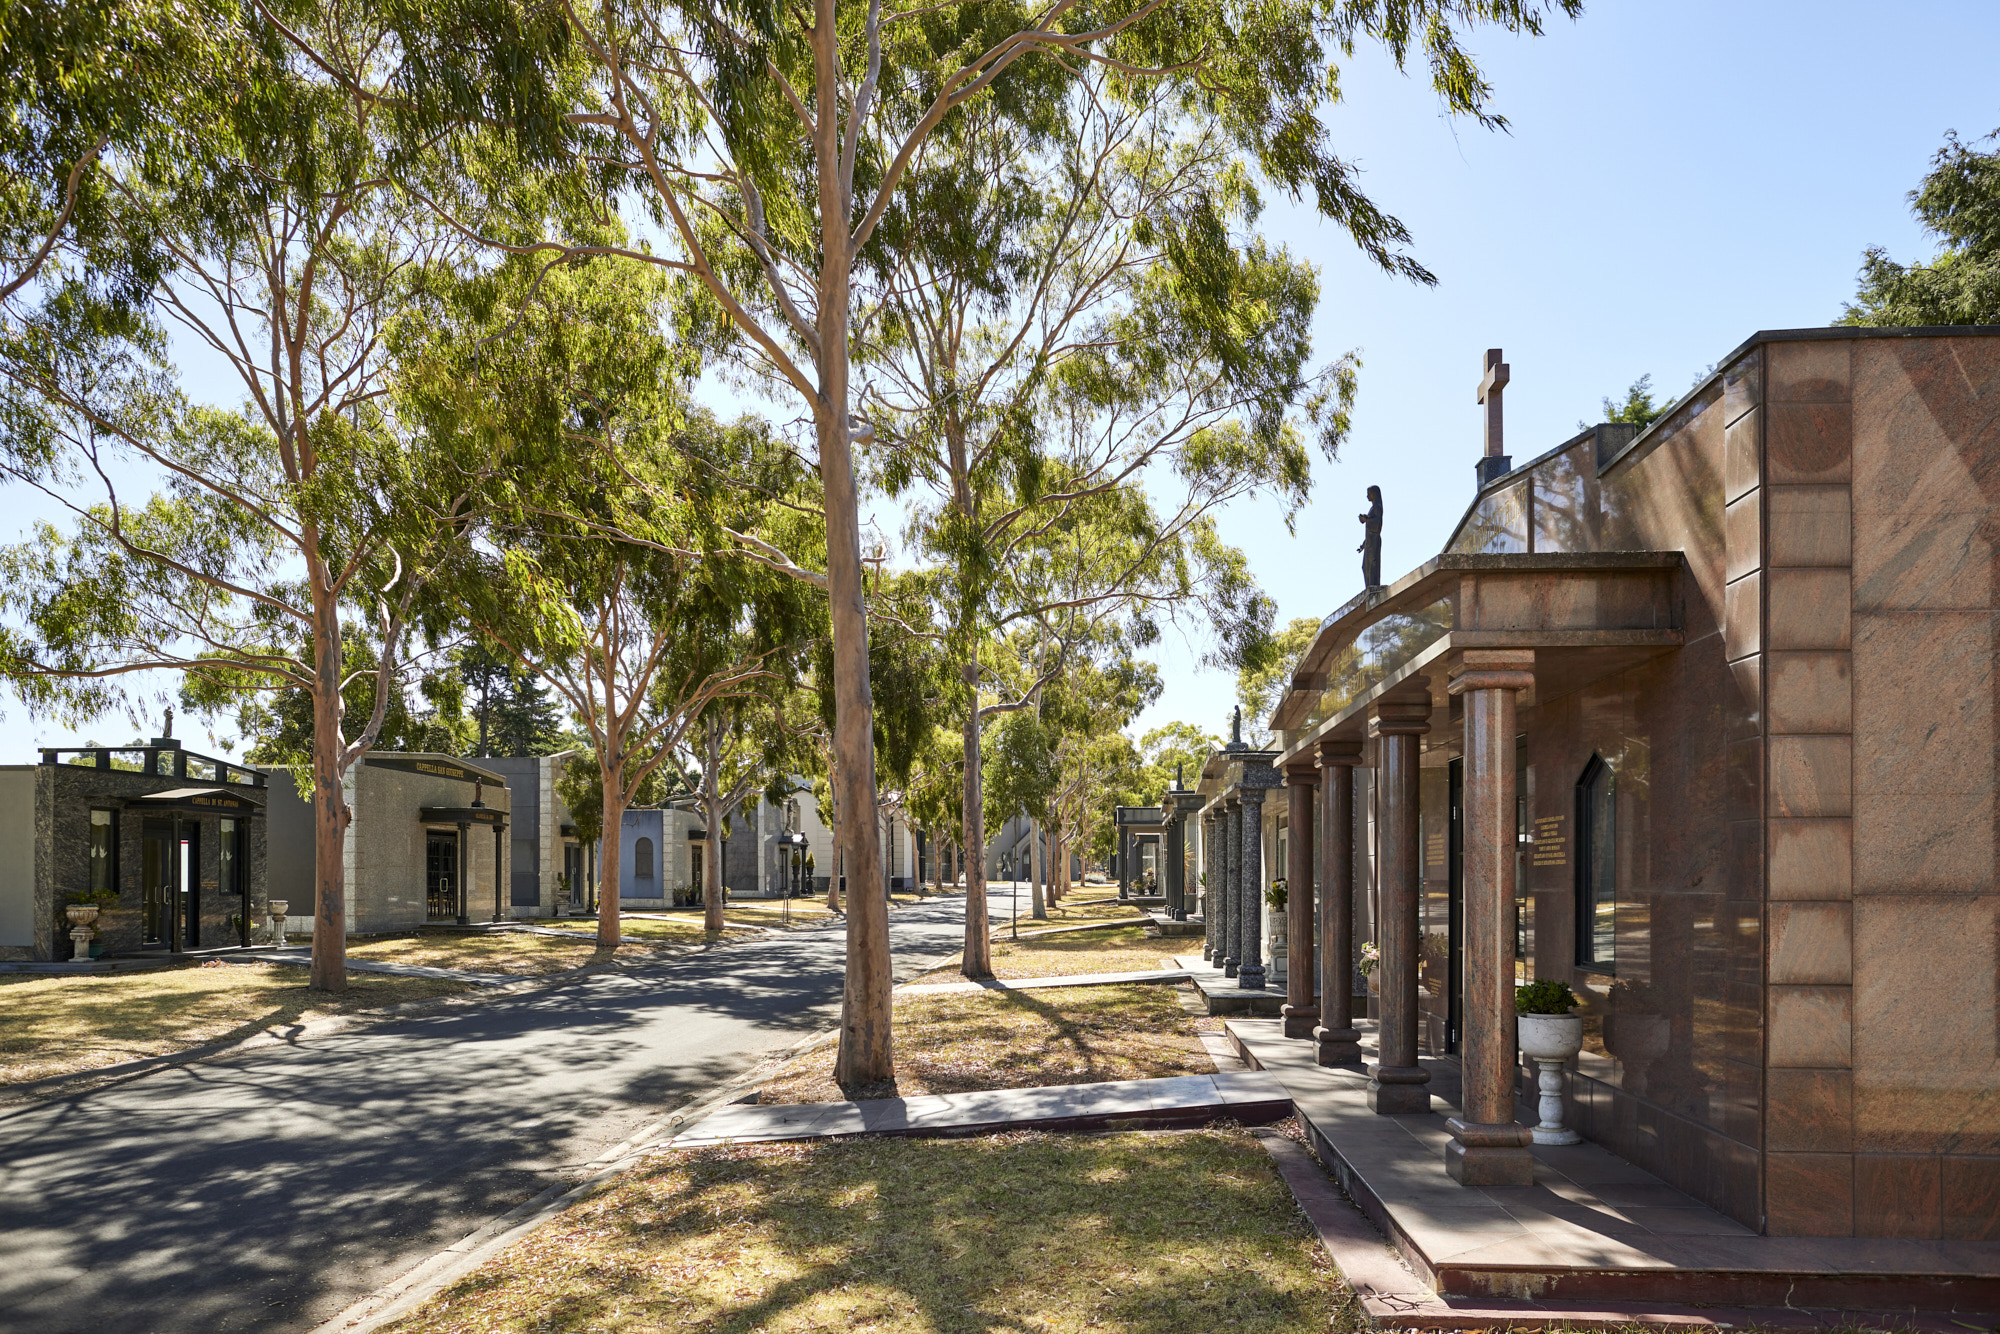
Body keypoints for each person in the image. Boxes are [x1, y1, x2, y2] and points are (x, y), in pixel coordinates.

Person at [1357, 485, 1383, 588]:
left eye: (1369, 493)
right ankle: (1369, 588)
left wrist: (1366, 520)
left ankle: (1373, 588)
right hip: (1369, 542)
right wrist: (1363, 545)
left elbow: (1377, 525)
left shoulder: (1378, 507)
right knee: (1365, 566)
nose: (1367, 496)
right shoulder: (1373, 508)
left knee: (1372, 566)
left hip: (1374, 542)